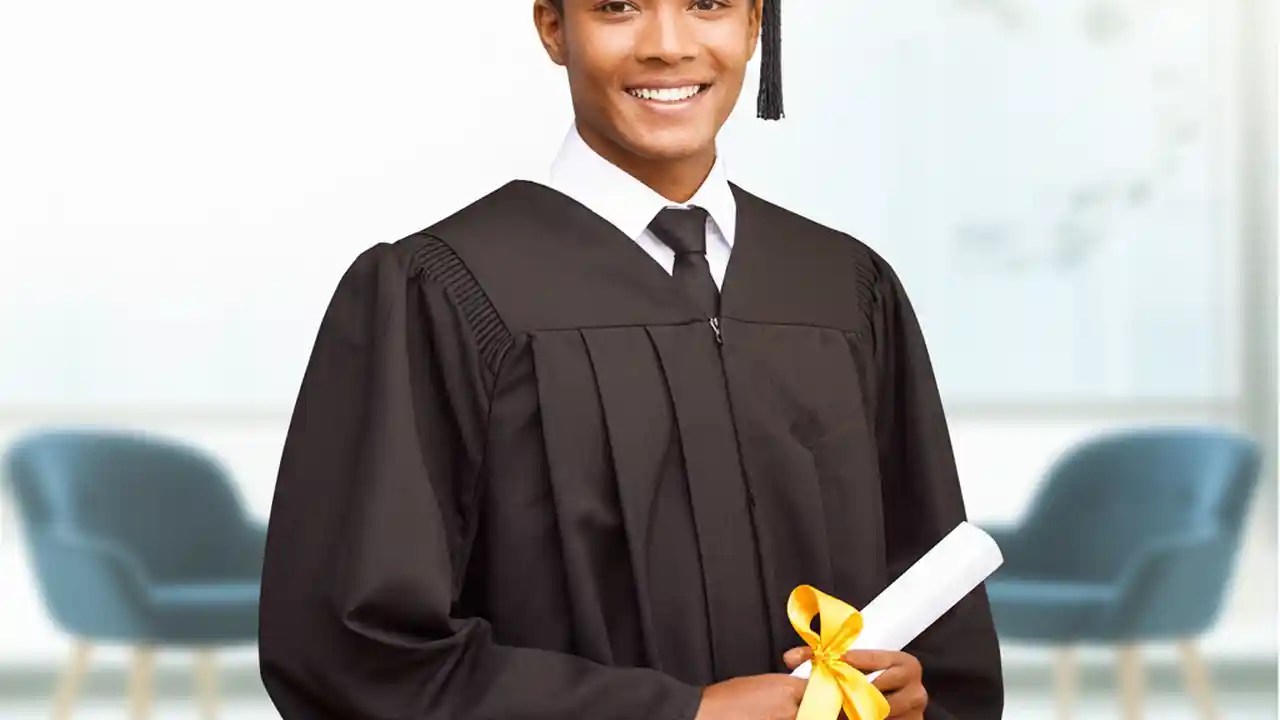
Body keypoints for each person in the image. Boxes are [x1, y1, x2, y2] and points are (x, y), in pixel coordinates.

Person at [257, 1, 1005, 718]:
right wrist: (678, 714)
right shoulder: (441, 291)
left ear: (755, 25)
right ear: (553, 27)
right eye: (618, 6)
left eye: (709, 3)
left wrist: (911, 695)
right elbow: (351, 649)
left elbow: (941, 631)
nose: (668, 44)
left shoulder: (843, 289)